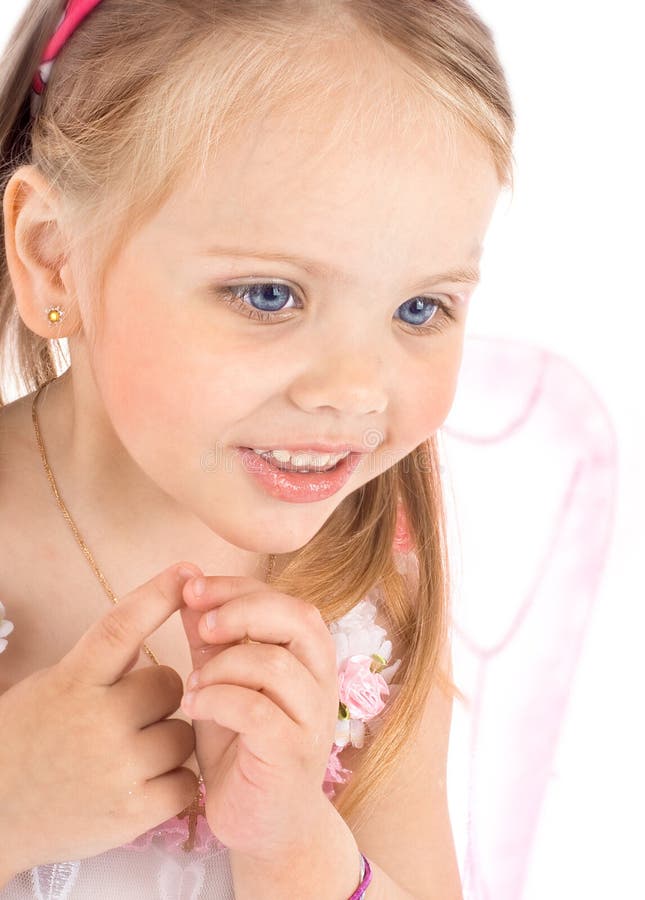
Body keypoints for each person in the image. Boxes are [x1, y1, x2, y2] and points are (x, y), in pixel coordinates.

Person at [0, 0, 515, 897]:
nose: (355, 390)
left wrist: (293, 847)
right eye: (269, 296)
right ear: (53, 257)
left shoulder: (370, 582)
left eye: (419, 309)